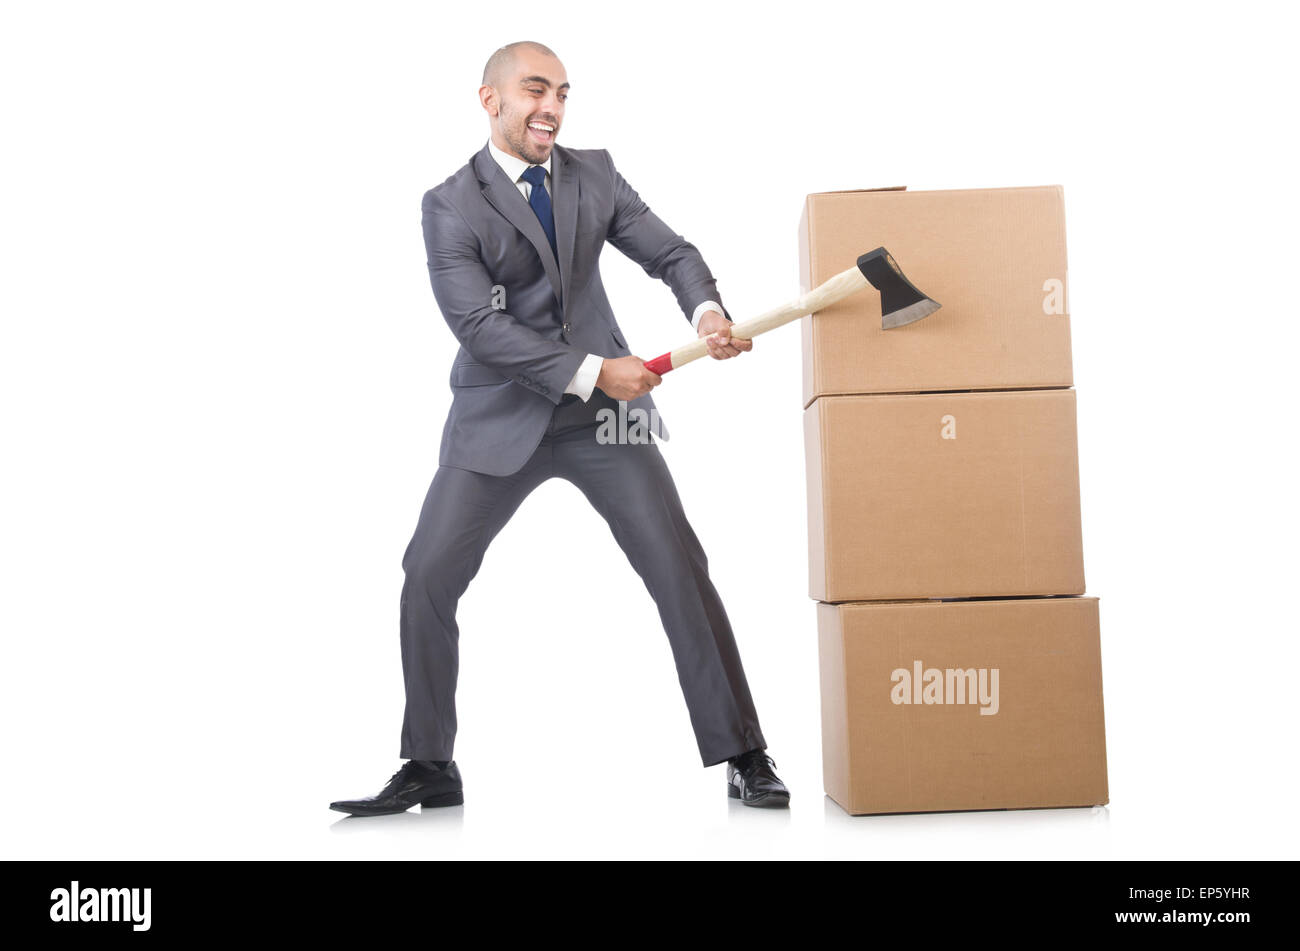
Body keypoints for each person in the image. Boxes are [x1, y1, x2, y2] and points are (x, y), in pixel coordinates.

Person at [329, 40, 788, 816]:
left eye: (563, 93)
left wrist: (707, 312)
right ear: (491, 100)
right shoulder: (449, 203)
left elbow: (670, 253)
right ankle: (430, 762)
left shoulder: (594, 174)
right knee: (428, 572)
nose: (552, 107)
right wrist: (595, 370)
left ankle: (745, 751)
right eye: (535, 90)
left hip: (602, 421)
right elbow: (480, 327)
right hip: (499, 416)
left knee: (679, 566)